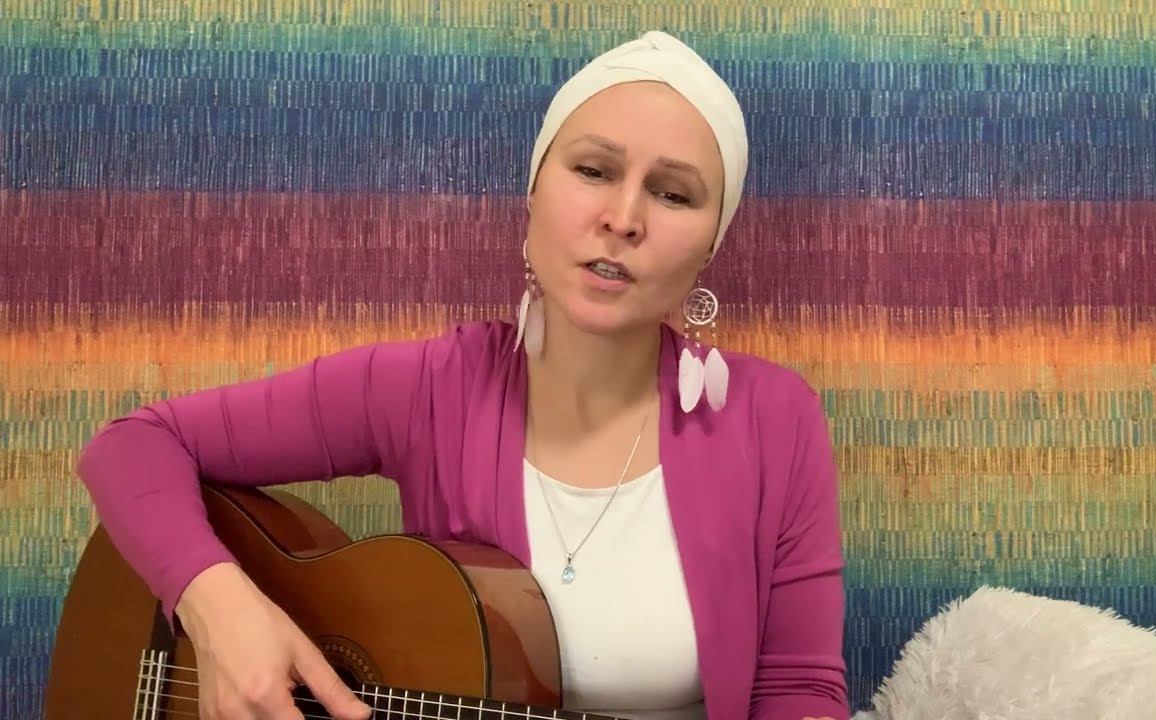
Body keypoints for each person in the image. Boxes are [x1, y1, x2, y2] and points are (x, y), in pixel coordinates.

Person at [76, 30, 848, 720]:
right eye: (593, 169)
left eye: (673, 193)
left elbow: (802, 689)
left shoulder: (774, 419)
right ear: (534, 190)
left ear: (711, 244)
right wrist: (219, 608)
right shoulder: (429, 388)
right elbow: (132, 446)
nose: (623, 217)